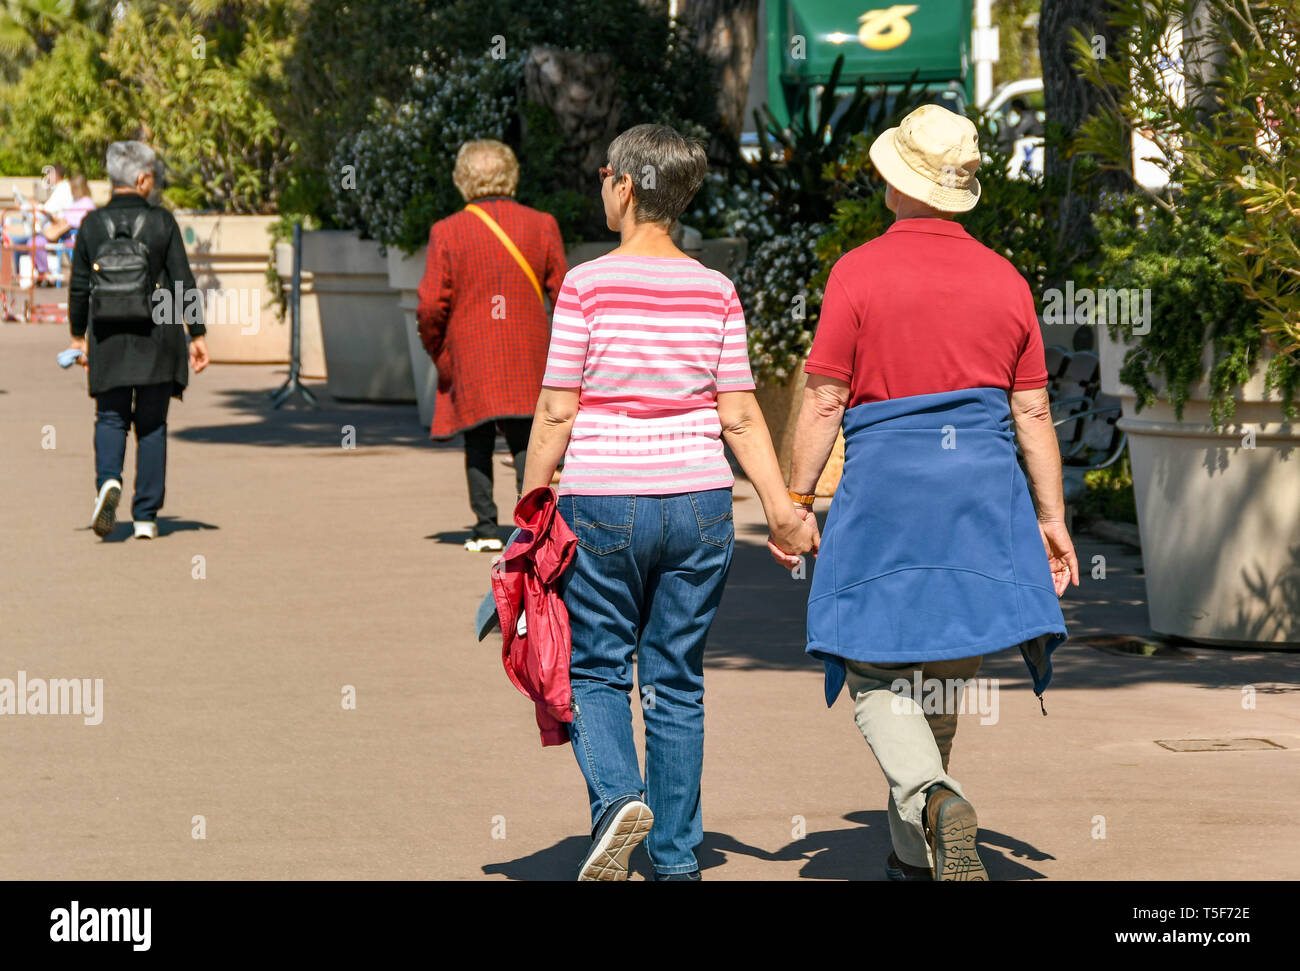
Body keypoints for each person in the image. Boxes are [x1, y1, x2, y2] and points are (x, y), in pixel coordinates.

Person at [783, 105, 1077, 881]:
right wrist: (1052, 519)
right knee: (941, 661)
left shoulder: (858, 272)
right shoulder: (1006, 279)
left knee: (876, 667)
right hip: (982, 494)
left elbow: (822, 399)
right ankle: (915, 859)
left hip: (887, 493)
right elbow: (1032, 410)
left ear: (898, 181)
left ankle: (935, 797)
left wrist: (795, 499)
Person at [518, 123, 817, 881]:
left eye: (603, 177)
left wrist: (527, 505)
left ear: (623, 186)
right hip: (700, 502)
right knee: (676, 676)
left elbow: (557, 409)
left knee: (595, 669)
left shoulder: (586, 284)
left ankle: (619, 798)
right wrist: (781, 509)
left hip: (603, 499)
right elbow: (742, 414)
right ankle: (676, 856)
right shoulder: (716, 290)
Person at [416, 139, 567, 552]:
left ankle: (484, 527)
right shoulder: (542, 224)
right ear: (511, 175)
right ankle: (532, 526)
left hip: (471, 352)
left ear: (463, 179)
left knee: (477, 441)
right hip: (528, 352)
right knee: (526, 438)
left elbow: (430, 304)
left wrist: (439, 351)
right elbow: (564, 293)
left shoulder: (446, 231)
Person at [67, 141, 209, 540]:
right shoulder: (162, 222)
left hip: (108, 337)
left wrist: (79, 336)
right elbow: (182, 281)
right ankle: (146, 516)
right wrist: (196, 333)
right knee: (151, 425)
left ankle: (108, 482)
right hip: (157, 336)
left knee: (111, 417)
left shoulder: (92, 225)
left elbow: (79, 288)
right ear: (142, 179)